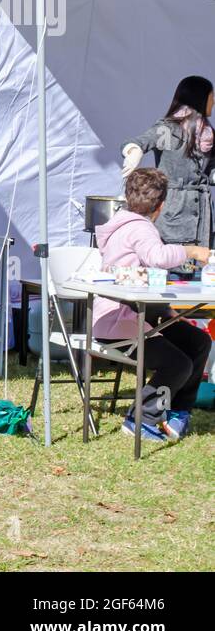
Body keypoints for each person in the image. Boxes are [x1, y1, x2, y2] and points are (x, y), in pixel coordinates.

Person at [94, 168, 212, 441]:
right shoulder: (140, 227)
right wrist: (191, 250)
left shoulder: (124, 224)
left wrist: (166, 311)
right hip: (119, 324)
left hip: (136, 315)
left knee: (198, 342)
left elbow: (141, 276)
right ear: (161, 205)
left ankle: (177, 411)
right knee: (179, 364)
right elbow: (157, 257)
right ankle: (141, 419)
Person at [122, 75, 215, 246]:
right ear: (200, 97)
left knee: (201, 267)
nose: (214, 101)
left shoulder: (208, 134)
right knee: (171, 264)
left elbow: (210, 171)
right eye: (212, 96)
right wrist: (133, 150)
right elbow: (142, 140)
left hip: (203, 217)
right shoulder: (167, 129)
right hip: (174, 211)